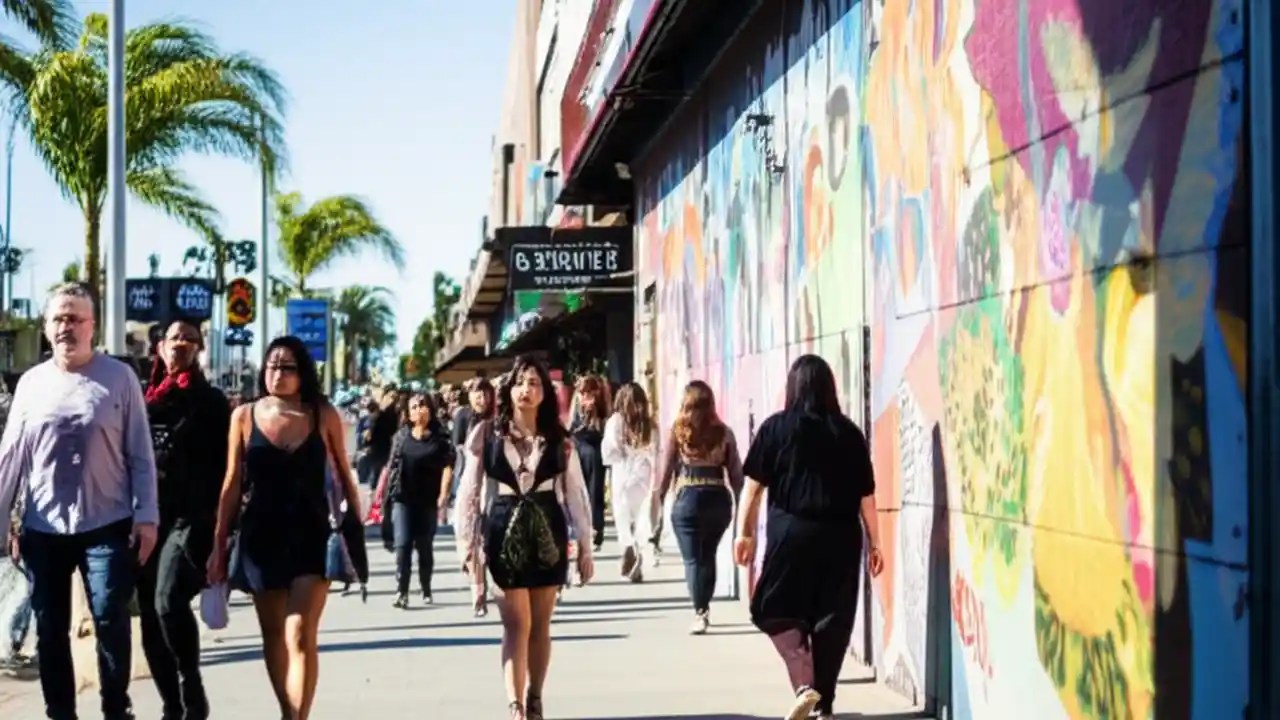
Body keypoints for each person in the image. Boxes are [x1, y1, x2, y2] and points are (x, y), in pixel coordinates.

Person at [0, 282, 159, 720]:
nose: (66, 327)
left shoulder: (119, 378)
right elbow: (10, 458)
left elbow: (140, 453)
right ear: (46, 327)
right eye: (58, 318)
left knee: (108, 614)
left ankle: (115, 704)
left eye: (75, 318)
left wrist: (147, 515)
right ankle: (60, 711)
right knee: (50, 626)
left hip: (106, 522)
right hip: (44, 526)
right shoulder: (31, 384)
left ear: (92, 326)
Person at [206, 336, 361, 720]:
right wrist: (219, 544)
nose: (278, 373)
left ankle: (297, 717)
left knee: (299, 632)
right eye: (272, 365)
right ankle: (289, 713)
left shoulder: (321, 414)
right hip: (261, 536)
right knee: (274, 635)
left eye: (287, 366)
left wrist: (355, 531)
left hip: (312, 534)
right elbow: (232, 483)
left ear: (302, 373)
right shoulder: (243, 417)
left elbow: (343, 472)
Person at [734, 354, 883, 720]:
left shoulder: (775, 429)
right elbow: (866, 497)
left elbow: (752, 488)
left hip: (791, 534)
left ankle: (805, 685)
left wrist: (744, 533)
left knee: (774, 608)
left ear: (793, 387)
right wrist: (876, 543)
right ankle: (823, 704)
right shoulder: (848, 433)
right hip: (841, 536)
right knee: (832, 619)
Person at [455, 354, 595, 720]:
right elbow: (468, 491)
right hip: (502, 530)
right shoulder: (486, 434)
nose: (526, 390)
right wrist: (466, 544)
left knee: (540, 624)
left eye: (534, 383)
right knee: (517, 624)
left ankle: (535, 695)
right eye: (519, 383)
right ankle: (515, 705)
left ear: (545, 392)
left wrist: (585, 545)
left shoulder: (560, 439)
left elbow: (576, 492)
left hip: (548, 533)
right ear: (508, 390)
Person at [140, 319, 231, 720]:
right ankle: (172, 707)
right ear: (160, 346)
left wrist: (221, 528)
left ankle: (191, 688)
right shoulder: (142, 398)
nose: (181, 345)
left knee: (167, 599)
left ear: (198, 350)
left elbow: (228, 467)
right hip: (146, 518)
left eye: (190, 340)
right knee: (149, 617)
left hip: (190, 518)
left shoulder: (210, 402)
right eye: (175, 338)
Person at [655, 380, 744, 635]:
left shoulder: (678, 432)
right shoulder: (724, 433)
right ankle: (703, 608)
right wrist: (742, 510)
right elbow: (736, 476)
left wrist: (658, 506)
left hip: (687, 500)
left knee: (693, 559)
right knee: (708, 555)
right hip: (718, 501)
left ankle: (700, 611)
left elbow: (666, 472)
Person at [372, 392, 455, 608]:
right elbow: (391, 466)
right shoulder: (401, 437)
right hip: (402, 498)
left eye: (423, 405)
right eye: (415, 407)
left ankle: (425, 586)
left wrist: (443, 495)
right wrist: (382, 494)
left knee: (424, 546)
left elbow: (447, 466)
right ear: (408, 413)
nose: (419, 410)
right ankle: (402, 591)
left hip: (427, 501)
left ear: (431, 410)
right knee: (403, 544)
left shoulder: (440, 438)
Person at [600, 382, 658, 583]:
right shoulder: (649, 425)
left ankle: (629, 549)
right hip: (642, 475)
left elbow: (610, 453)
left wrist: (626, 451)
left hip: (623, 474)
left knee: (624, 516)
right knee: (639, 517)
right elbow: (656, 453)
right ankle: (635, 551)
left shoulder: (616, 422)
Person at [455, 378, 496, 617]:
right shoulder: (463, 417)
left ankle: (486, 584)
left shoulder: (498, 421)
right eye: (476, 393)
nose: (481, 398)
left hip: (491, 483)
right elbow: (458, 451)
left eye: (485, 393)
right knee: (468, 540)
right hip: (469, 481)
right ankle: (478, 592)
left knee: (486, 542)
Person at [569, 374, 610, 551]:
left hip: (595, 451)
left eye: (588, 392)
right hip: (579, 449)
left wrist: (592, 414)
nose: (584, 396)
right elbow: (571, 427)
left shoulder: (602, 406)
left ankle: (596, 529)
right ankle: (581, 530)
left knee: (595, 491)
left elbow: (603, 431)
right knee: (579, 492)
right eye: (582, 392)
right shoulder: (576, 404)